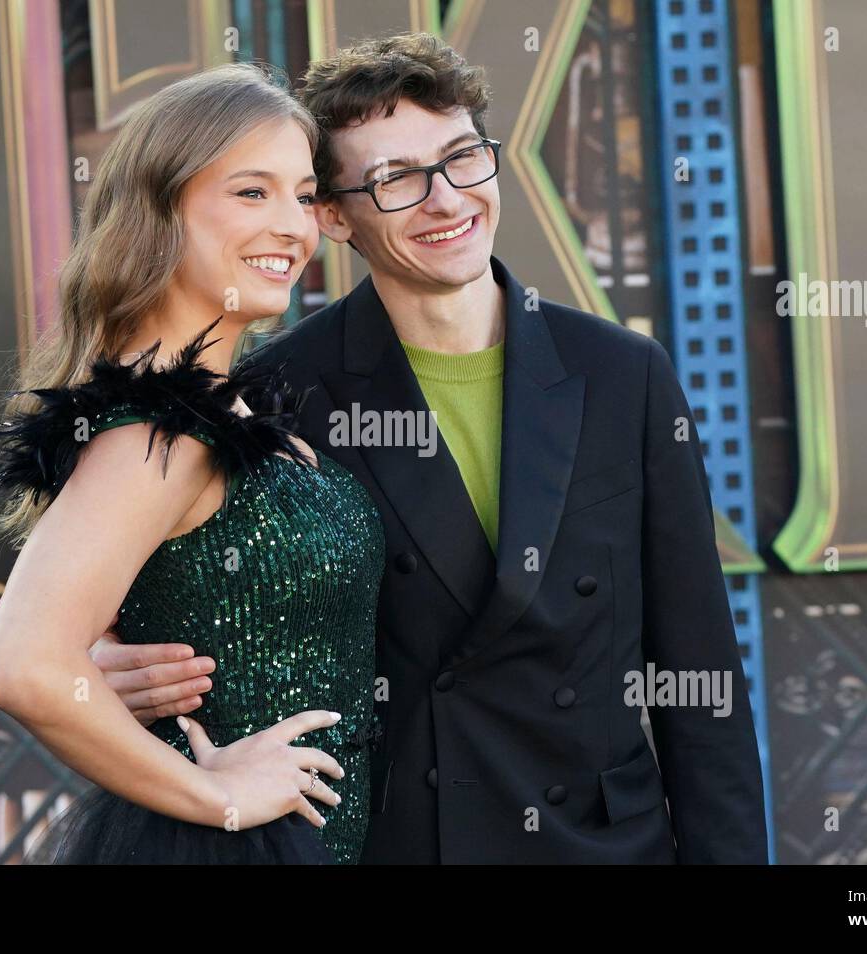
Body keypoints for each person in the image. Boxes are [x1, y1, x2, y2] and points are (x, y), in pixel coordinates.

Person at [98, 33, 770, 863]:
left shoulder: (623, 374)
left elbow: (700, 673)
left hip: (604, 844)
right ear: (333, 215)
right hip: (403, 843)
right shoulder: (276, 394)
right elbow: (157, 589)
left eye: (462, 159)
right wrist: (104, 659)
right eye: (395, 180)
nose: (446, 200)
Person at [0, 62, 385, 865]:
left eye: (304, 196)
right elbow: (20, 664)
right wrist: (221, 797)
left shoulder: (221, 411)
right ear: (160, 210)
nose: (294, 227)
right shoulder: (160, 431)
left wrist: (100, 666)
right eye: (251, 192)